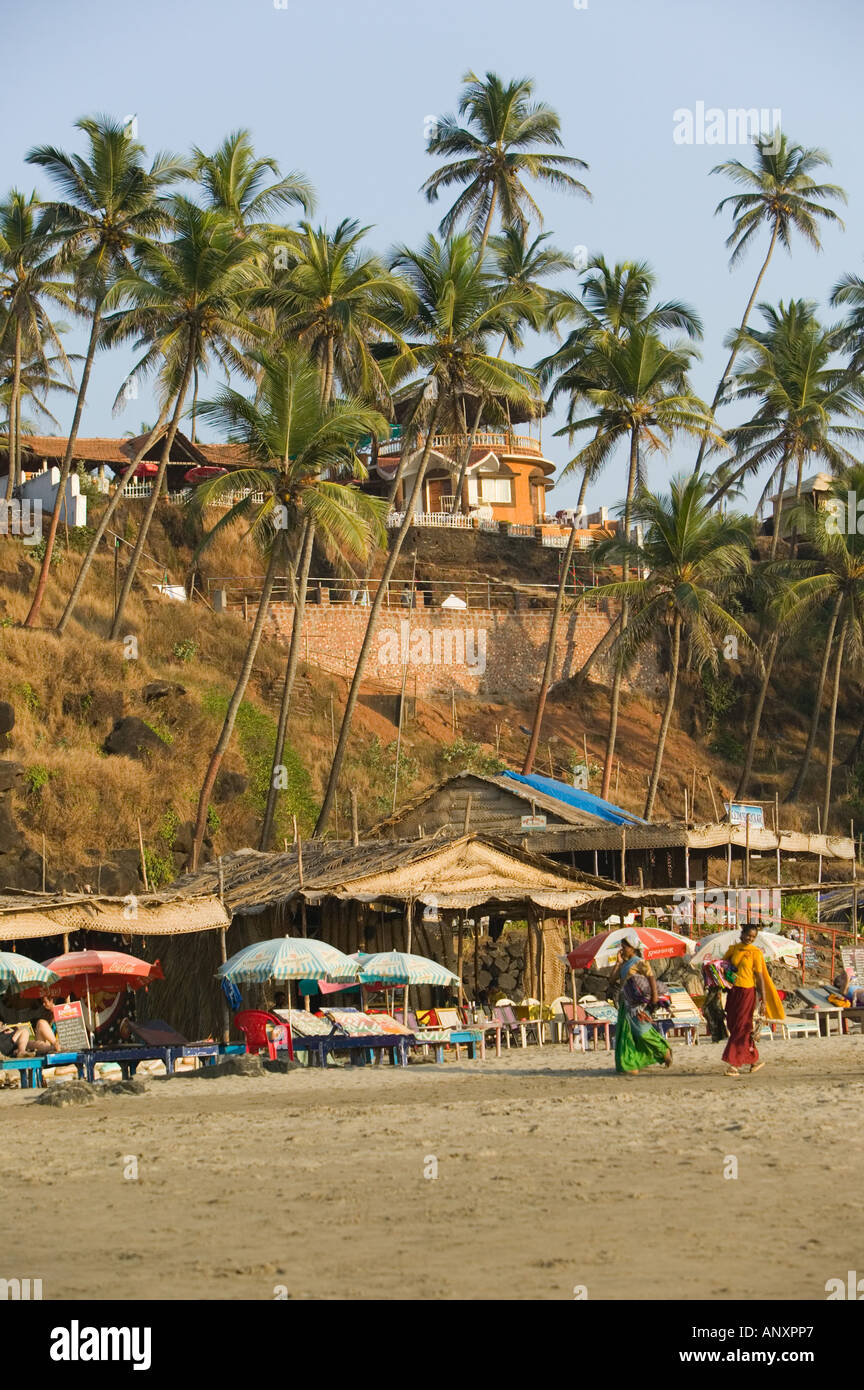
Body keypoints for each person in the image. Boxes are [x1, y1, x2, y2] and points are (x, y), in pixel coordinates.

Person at [721, 924, 784, 1076]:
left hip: (748, 992)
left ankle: (733, 1064)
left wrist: (763, 997)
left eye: (753, 937)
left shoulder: (756, 953)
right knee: (734, 1025)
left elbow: (760, 976)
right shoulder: (734, 949)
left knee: (741, 1027)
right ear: (742, 933)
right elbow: (723, 966)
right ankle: (753, 1059)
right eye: (748, 935)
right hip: (733, 992)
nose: (750, 939)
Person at [608, 936, 673, 1075]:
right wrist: (618, 963)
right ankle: (630, 1065)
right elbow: (612, 980)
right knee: (626, 1035)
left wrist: (655, 996)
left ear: (632, 948)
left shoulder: (639, 962)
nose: (622, 949)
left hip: (636, 1006)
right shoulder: (624, 964)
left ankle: (663, 1051)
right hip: (625, 1004)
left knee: (642, 1032)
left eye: (624, 947)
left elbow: (650, 977)